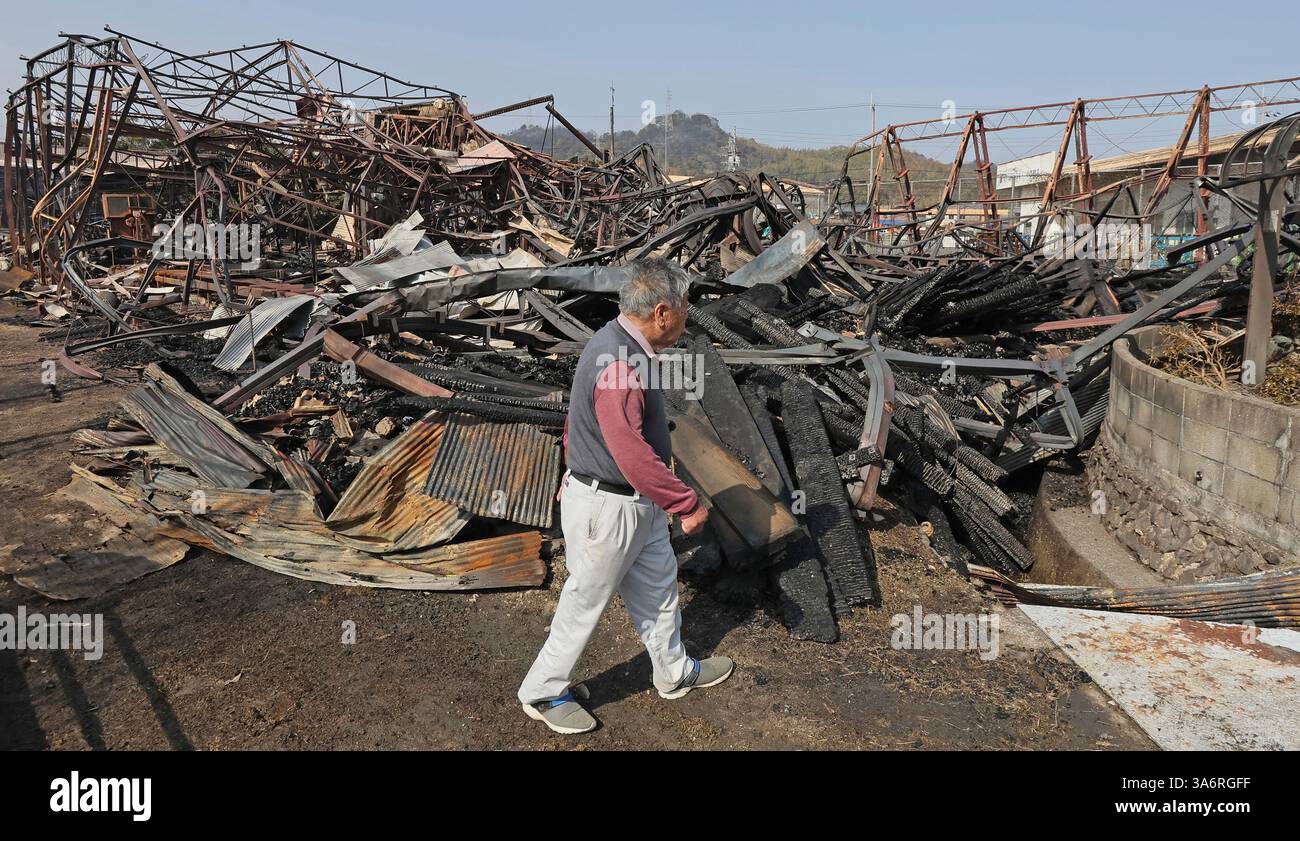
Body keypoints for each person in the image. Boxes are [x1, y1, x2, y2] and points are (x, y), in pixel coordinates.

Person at [517, 259, 734, 734]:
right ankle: (543, 690)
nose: (686, 318)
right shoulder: (619, 363)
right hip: (610, 507)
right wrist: (687, 503)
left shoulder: (612, 341)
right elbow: (630, 452)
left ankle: (674, 672)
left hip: (631, 504)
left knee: (659, 590)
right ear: (661, 312)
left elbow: (579, 419)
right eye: (684, 309)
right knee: (584, 601)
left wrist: (575, 467)